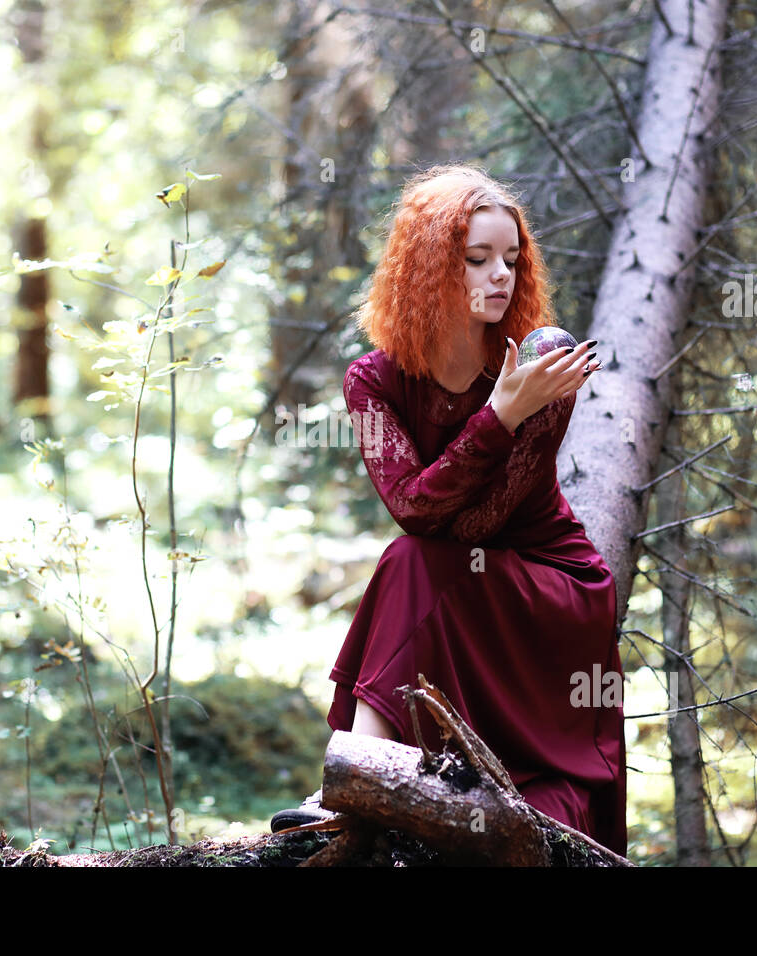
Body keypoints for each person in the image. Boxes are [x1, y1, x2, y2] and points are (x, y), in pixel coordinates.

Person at [270, 164, 626, 858]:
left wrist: (510, 408)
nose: (502, 276)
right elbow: (412, 507)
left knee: (417, 559)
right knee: (416, 556)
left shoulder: (540, 365)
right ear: (432, 265)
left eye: (511, 259)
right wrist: (497, 417)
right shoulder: (371, 380)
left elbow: (476, 527)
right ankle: (363, 781)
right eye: (477, 258)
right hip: (455, 578)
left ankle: (353, 775)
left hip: (549, 588)